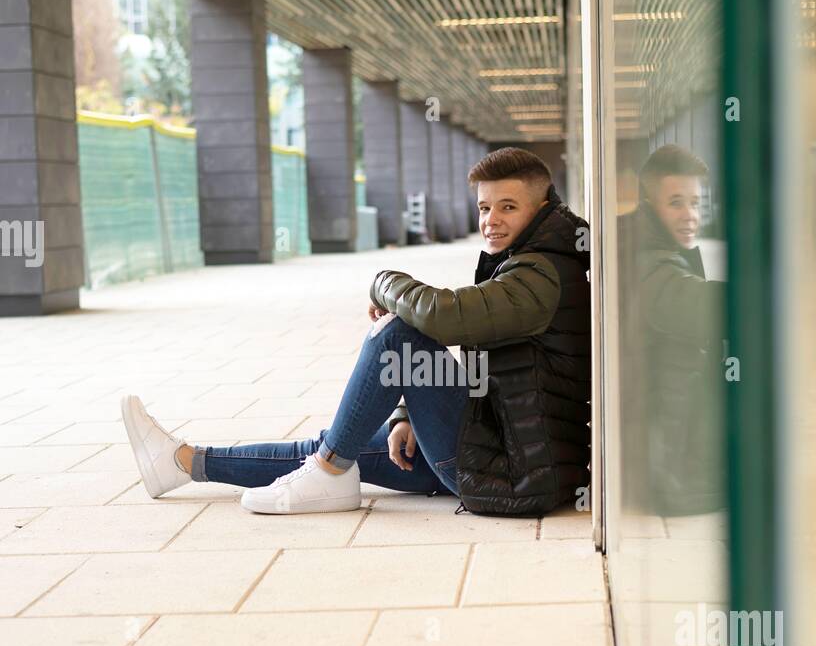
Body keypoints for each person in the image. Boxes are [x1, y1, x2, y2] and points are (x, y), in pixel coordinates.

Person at [121, 147, 591, 518]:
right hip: (499, 447)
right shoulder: (531, 262)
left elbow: (444, 316)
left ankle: (327, 472)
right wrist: (410, 413)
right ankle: (184, 463)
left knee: (400, 334)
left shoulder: (540, 275)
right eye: (485, 207)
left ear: (543, 207)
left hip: (514, 474)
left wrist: (383, 282)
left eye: (508, 207)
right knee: (336, 446)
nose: (492, 219)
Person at [617, 143, 726, 516]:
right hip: (666, 473)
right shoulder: (650, 263)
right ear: (648, 205)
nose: (690, 215)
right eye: (676, 202)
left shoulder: (649, 250)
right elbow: (703, 304)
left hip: (664, 456)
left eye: (696, 203)